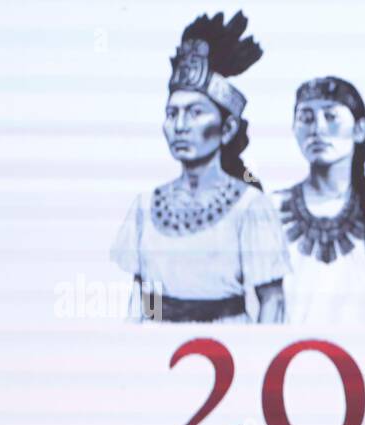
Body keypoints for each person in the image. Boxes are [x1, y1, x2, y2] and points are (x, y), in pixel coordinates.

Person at [111, 11, 289, 324]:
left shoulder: (250, 207)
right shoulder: (145, 207)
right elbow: (145, 298)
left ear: (227, 128)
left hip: (228, 352)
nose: (180, 126)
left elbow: (272, 301)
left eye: (195, 113)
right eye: (172, 113)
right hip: (159, 352)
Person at [272, 76, 365, 325]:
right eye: (307, 118)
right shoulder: (270, 212)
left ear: (360, 129)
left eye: (330, 117)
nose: (317, 129)